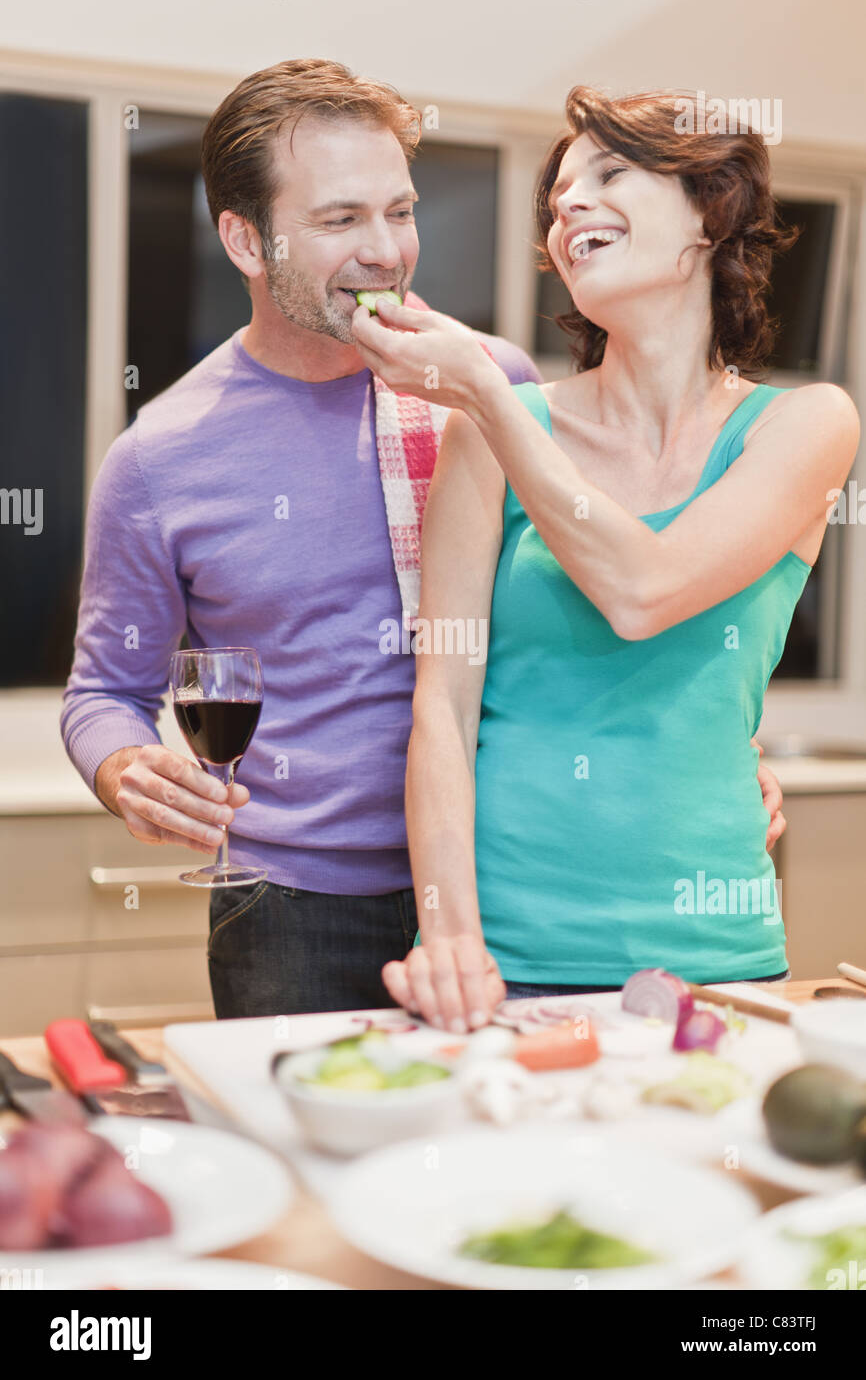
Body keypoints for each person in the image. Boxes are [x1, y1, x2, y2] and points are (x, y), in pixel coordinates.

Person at [348, 87, 860, 1034]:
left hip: (715, 961)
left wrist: (492, 402)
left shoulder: (803, 425)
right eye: (556, 199)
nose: (568, 206)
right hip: (507, 956)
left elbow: (644, 590)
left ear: (712, 212)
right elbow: (444, 708)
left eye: (610, 173)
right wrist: (448, 930)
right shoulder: (489, 436)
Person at [60, 59, 540, 1018]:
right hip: (287, 910)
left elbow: (588, 616)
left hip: (506, 877)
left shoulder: (488, 386)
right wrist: (126, 771)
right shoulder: (161, 457)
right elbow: (105, 691)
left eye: (400, 211)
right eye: (339, 220)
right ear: (245, 238)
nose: (386, 250)